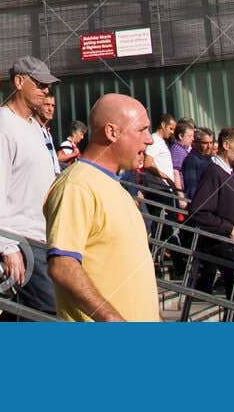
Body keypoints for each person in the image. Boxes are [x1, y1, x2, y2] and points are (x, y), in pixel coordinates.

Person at [43, 93, 160, 322]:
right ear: (111, 132)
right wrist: (111, 318)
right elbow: (63, 265)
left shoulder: (117, 190)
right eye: (141, 130)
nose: (150, 139)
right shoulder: (76, 185)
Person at [0, 57, 62, 315]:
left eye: (48, 85)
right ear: (19, 82)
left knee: (30, 313)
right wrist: (5, 245)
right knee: (49, 310)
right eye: (39, 84)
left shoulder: (35, 127)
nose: (46, 90)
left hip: (44, 236)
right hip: (22, 239)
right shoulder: (1, 125)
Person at [186, 125, 234, 307]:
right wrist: (229, 229)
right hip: (227, 248)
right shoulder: (214, 172)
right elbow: (198, 210)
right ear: (226, 145)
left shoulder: (226, 172)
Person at [182, 128, 215, 201]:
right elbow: (191, 188)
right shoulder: (191, 160)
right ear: (196, 143)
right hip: (201, 204)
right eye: (205, 143)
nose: (209, 146)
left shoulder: (209, 159)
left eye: (211, 142)